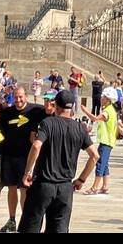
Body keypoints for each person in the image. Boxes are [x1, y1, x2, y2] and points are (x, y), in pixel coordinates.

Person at [19, 89, 98, 233]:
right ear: (72, 107)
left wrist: (27, 173)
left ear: (56, 105)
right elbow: (95, 156)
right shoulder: (80, 128)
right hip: (65, 188)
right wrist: (81, 179)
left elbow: (36, 146)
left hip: (43, 184)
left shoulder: (47, 123)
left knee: (30, 227)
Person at [0, 86, 42, 232]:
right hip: (9, 155)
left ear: (26, 97)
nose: (18, 100)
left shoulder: (34, 111)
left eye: (21, 97)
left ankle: (25, 221)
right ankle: (11, 220)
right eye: (16, 97)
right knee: (11, 188)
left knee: (24, 189)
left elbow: (50, 112)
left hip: (25, 157)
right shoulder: (7, 112)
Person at [82, 87, 119, 195]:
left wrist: (85, 111)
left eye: (103, 97)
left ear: (108, 99)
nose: (101, 98)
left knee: (100, 164)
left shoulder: (107, 111)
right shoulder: (111, 109)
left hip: (106, 141)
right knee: (105, 164)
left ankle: (94, 187)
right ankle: (105, 186)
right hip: (108, 141)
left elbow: (95, 119)